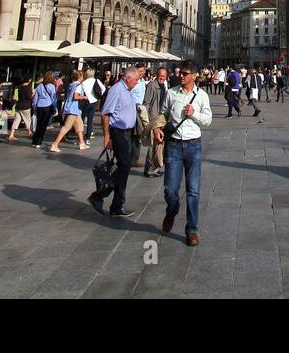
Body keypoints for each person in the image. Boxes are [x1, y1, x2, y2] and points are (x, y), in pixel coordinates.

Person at [157, 62, 213, 245]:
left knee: (193, 191)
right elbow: (163, 115)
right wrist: (158, 129)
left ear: (194, 76)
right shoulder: (171, 93)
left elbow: (208, 120)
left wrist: (194, 114)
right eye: (181, 73)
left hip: (193, 146)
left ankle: (192, 230)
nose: (181, 76)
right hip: (173, 145)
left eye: (185, 74)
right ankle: (172, 210)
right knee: (170, 189)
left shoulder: (202, 96)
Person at [90, 66, 144, 218]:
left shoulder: (126, 90)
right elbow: (105, 114)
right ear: (128, 78)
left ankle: (117, 205)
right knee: (124, 166)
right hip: (118, 132)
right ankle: (99, 196)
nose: (138, 81)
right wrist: (107, 136)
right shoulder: (116, 90)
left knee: (123, 167)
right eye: (136, 79)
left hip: (126, 133)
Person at [49, 70, 89, 152]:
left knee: (80, 126)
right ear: (80, 77)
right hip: (73, 109)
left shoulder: (71, 85)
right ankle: (55, 144)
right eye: (82, 76)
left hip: (72, 108)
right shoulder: (78, 86)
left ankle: (81, 143)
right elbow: (76, 97)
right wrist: (84, 97)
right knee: (66, 127)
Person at [142, 67, 169, 176]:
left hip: (159, 119)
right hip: (153, 119)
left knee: (157, 144)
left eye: (164, 76)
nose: (162, 77)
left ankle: (154, 168)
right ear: (157, 75)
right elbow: (146, 103)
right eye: (160, 75)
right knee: (152, 145)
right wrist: (148, 120)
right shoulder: (152, 86)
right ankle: (149, 170)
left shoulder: (163, 86)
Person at [30, 72, 58, 148]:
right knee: (43, 125)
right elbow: (53, 98)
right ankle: (39, 142)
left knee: (38, 124)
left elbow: (36, 98)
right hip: (47, 106)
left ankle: (34, 141)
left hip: (39, 106)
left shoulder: (39, 86)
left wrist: (34, 106)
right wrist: (55, 107)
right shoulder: (51, 86)